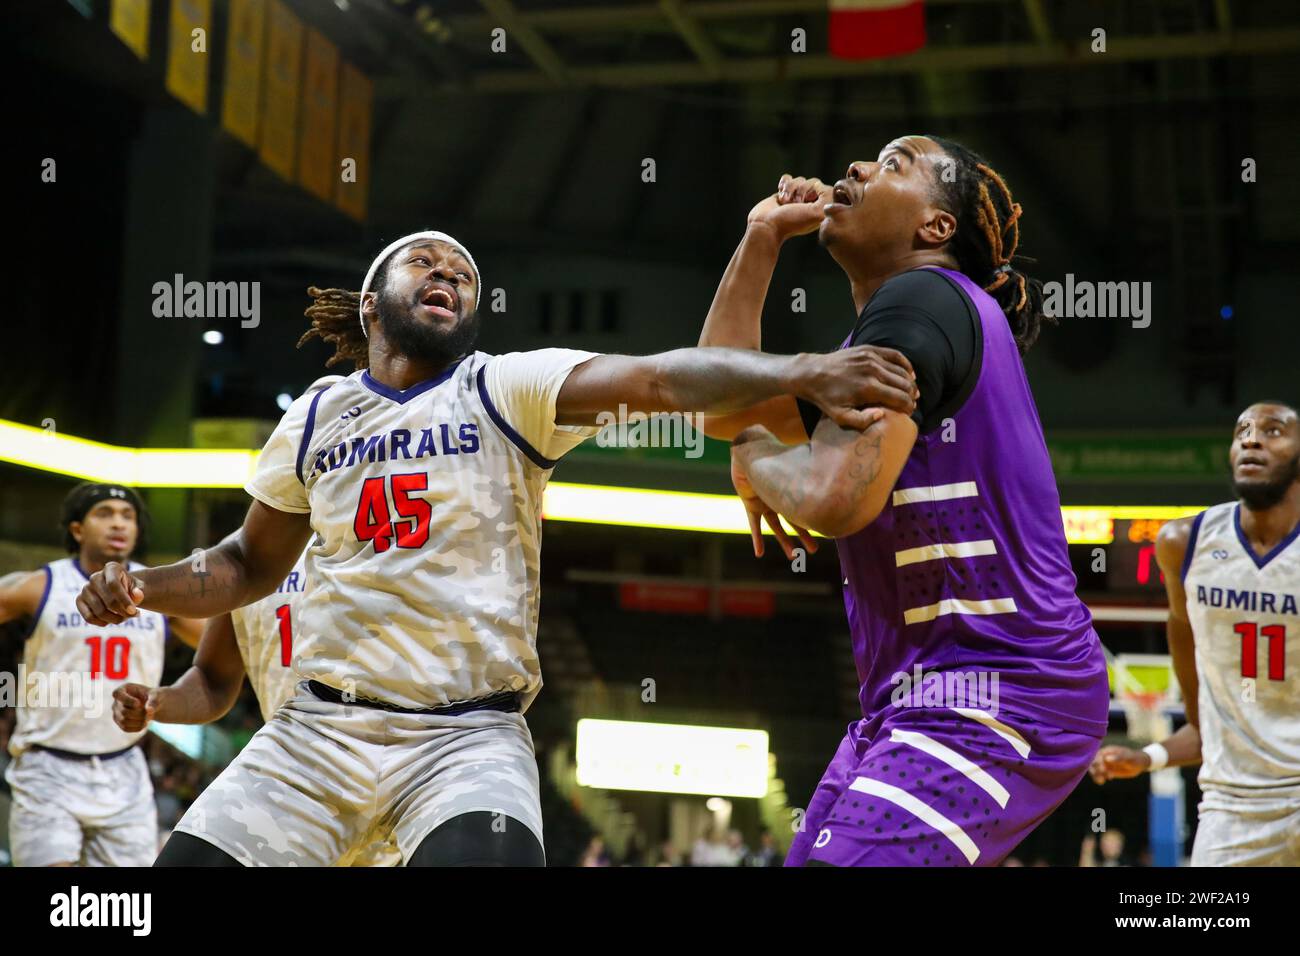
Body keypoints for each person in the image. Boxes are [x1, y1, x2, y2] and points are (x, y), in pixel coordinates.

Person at [76, 229, 918, 867]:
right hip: (318, 731)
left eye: (464, 275)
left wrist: (798, 371)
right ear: (371, 303)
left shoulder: (502, 386)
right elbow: (245, 566)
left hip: (465, 741)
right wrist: (142, 584)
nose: (447, 274)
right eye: (425, 263)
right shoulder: (319, 412)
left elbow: (660, 379)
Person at [700, 136, 1111, 866]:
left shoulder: (923, 295)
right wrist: (761, 236)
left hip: (1001, 689)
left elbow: (833, 498)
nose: (855, 167)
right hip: (915, 696)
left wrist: (755, 452)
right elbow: (718, 404)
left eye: (893, 163)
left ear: (935, 227)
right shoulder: (885, 333)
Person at [1090, 402, 1299, 865]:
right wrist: (1147, 757)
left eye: (1273, 431)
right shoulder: (1183, 544)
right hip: (1232, 809)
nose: (1251, 439)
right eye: (1242, 431)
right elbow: (1204, 728)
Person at [0, 484, 201, 866]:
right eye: (104, 513)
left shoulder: (157, 592)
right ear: (77, 529)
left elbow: (225, 647)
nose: (118, 524)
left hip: (125, 766)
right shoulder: (41, 585)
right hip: (47, 767)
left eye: (128, 516)